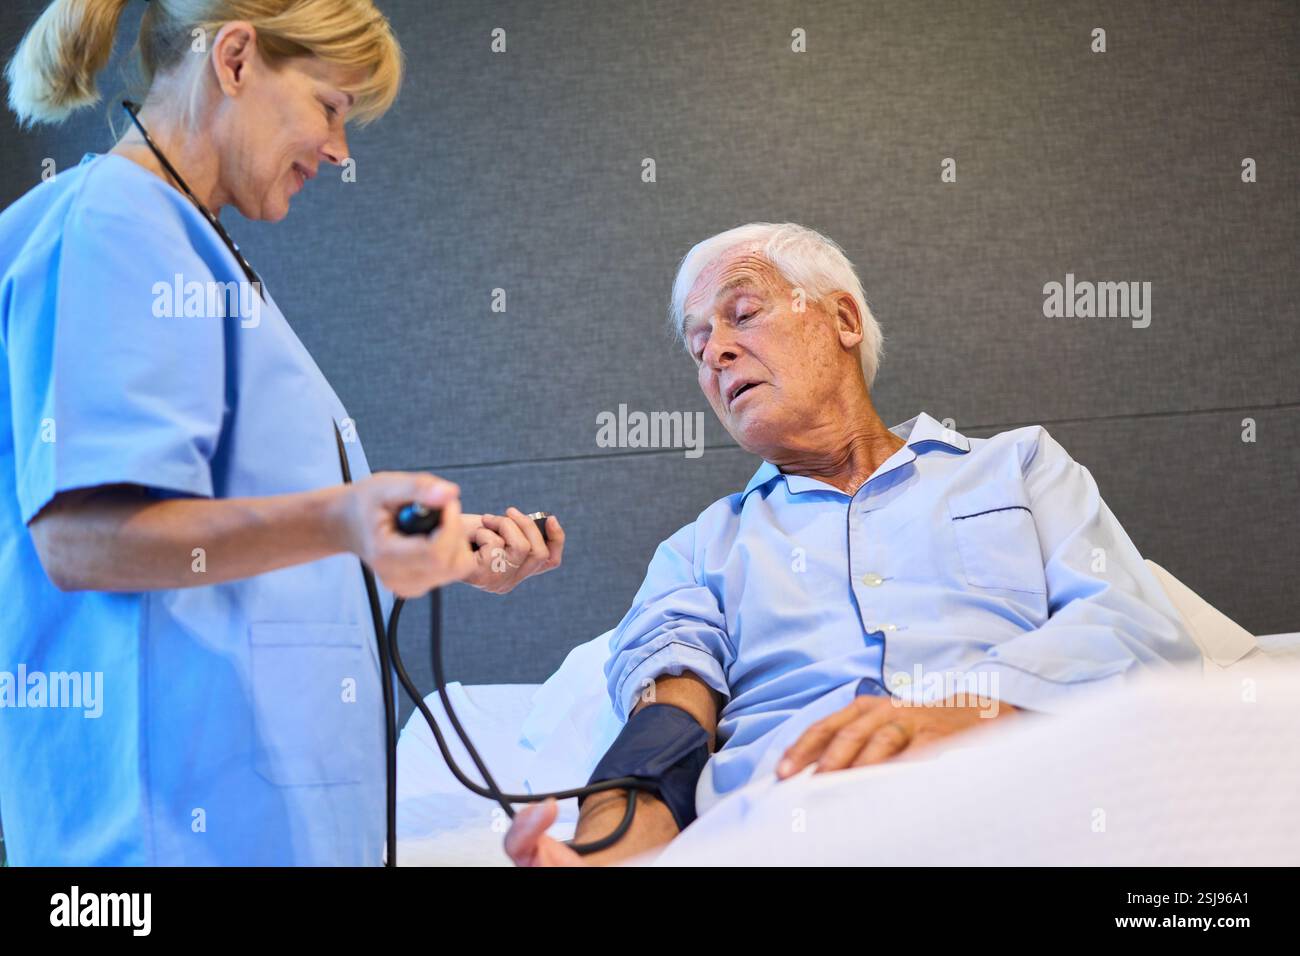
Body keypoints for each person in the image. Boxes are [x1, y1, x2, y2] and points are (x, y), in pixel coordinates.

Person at [0, 0, 563, 865]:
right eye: (331, 108)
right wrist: (345, 519)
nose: (339, 151)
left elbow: (251, 558)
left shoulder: (193, 252)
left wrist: (428, 540)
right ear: (233, 60)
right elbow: (86, 539)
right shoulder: (117, 224)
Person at [503, 222, 1198, 866]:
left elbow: (1134, 634)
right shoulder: (698, 550)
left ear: (842, 319)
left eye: (742, 315)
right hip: (789, 826)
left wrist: (957, 713)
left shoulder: (1021, 468)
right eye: (697, 345)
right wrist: (597, 853)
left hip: (1026, 797)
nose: (715, 351)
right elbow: (666, 735)